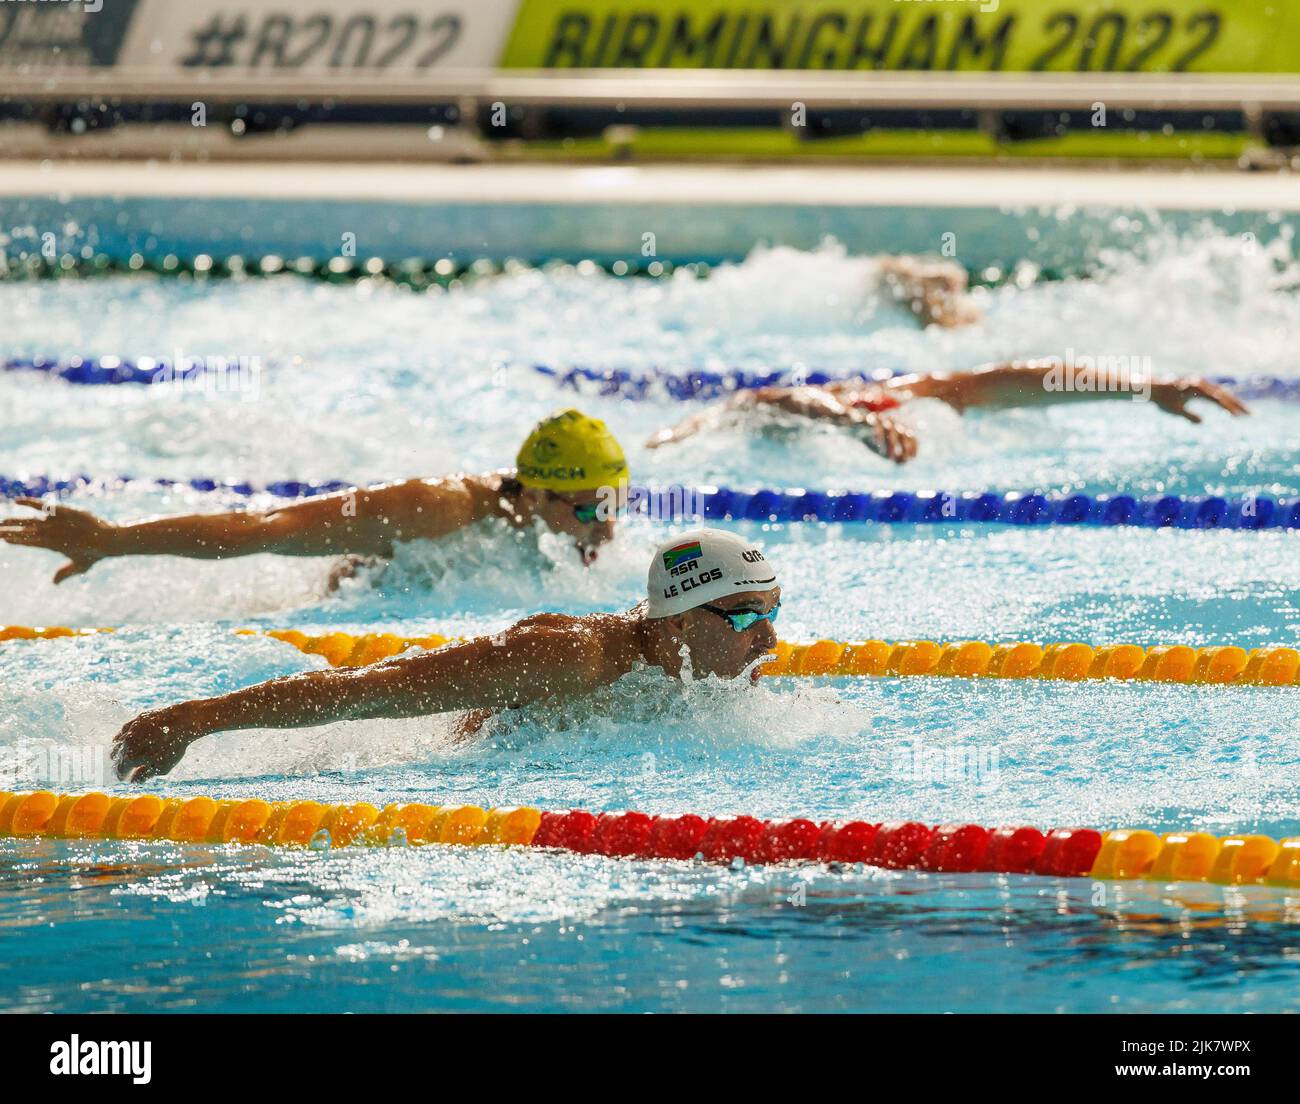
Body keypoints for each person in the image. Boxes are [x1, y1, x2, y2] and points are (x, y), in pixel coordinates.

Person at [111, 529, 782, 782]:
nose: (769, 639)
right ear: (680, 623)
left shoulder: (695, 671)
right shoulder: (567, 658)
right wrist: (192, 720)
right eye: (749, 617)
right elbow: (366, 689)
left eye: (773, 614)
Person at [0, 409, 628, 581]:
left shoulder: (547, 523)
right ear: (538, 492)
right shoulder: (437, 507)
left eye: (614, 504)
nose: (606, 527)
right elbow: (265, 527)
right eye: (590, 509)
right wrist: (110, 541)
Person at [645, 358, 1250, 462]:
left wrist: (1143, 388)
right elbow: (763, 400)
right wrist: (852, 419)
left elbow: (1020, 379)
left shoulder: (917, 392)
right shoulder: (863, 402)